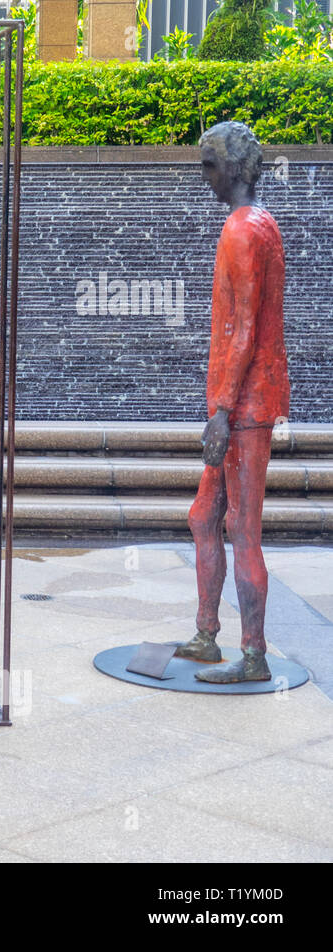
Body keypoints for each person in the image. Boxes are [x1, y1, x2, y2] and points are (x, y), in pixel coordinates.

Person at [173, 121, 288, 684]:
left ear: (235, 168)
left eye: (209, 165)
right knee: (204, 518)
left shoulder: (244, 231)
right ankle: (205, 632)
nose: (204, 176)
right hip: (238, 402)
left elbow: (243, 329)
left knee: (242, 527)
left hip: (244, 407)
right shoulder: (254, 224)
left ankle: (253, 656)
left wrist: (220, 410)